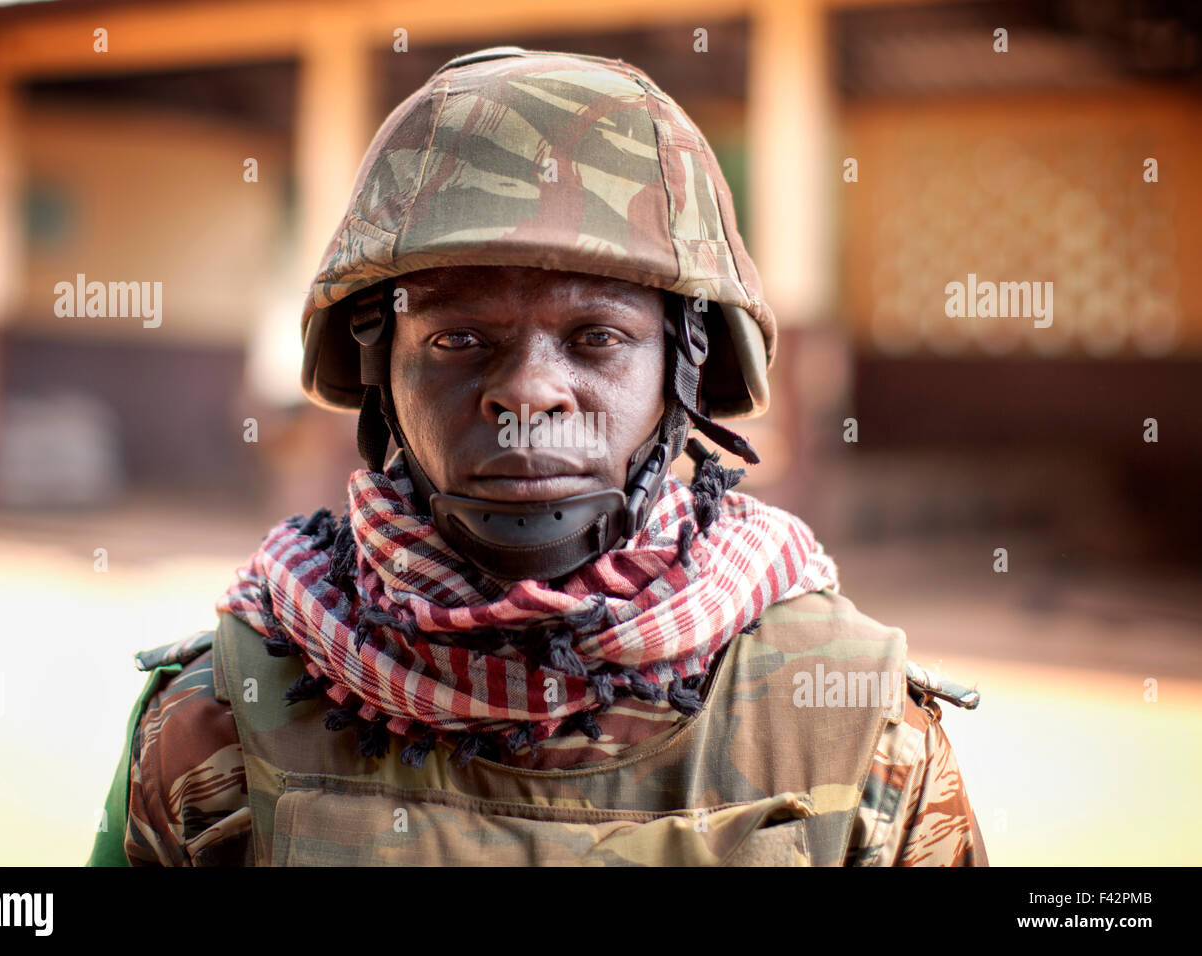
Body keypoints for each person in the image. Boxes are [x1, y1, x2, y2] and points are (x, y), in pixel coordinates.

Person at [88, 46, 987, 867]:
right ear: (378, 372)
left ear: (687, 370)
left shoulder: (856, 719)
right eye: (459, 339)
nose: (528, 393)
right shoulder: (219, 713)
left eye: (596, 336)